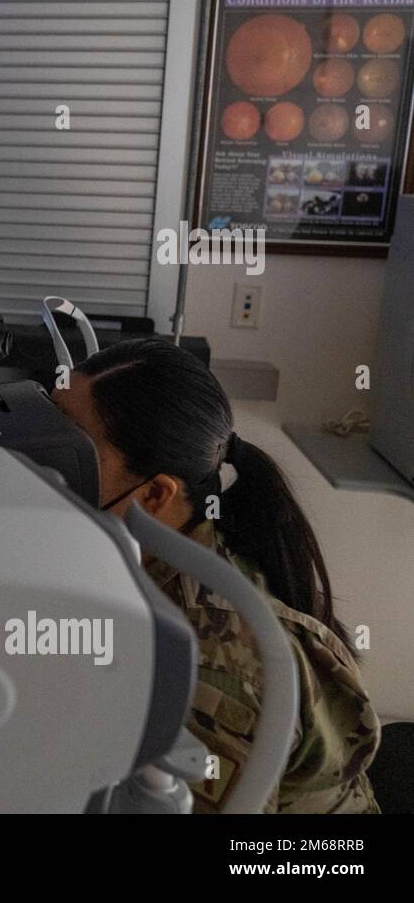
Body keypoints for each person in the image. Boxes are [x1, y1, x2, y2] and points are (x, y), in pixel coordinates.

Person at [51, 338, 380, 813]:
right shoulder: (150, 556)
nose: (46, 451)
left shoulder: (212, 669)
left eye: (73, 443)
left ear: (154, 495)